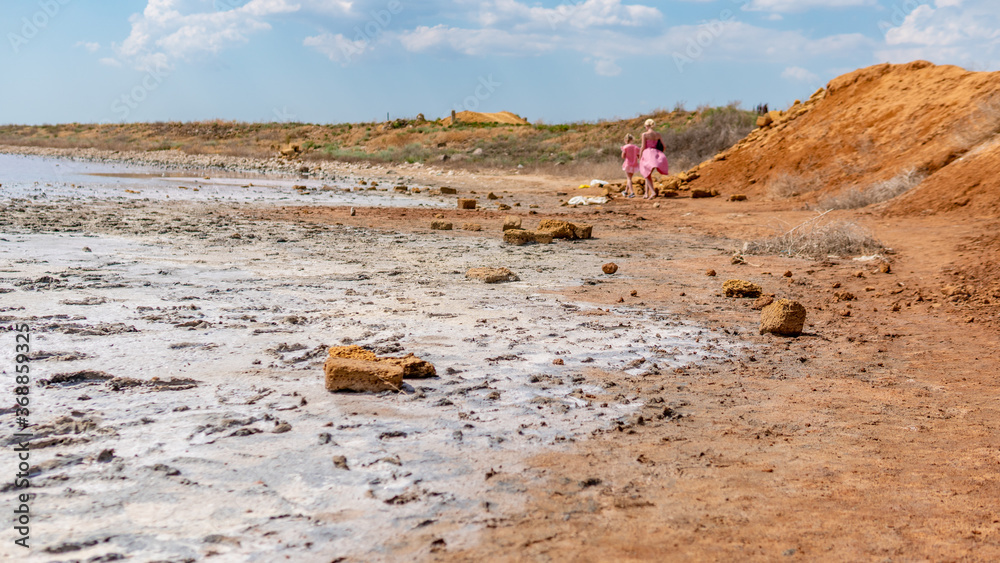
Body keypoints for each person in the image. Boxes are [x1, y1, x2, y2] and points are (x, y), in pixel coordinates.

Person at [639, 118, 670, 199]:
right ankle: (646, 193)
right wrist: (660, 153)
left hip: (648, 154)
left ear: (647, 126)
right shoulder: (658, 134)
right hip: (656, 154)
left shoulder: (644, 135)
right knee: (647, 174)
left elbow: (643, 146)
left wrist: (640, 155)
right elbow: (664, 146)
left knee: (646, 174)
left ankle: (652, 192)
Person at [620, 134, 640, 198]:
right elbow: (638, 156)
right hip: (634, 164)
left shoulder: (625, 147)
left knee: (628, 178)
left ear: (626, 140)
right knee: (630, 178)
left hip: (628, 163)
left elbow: (622, 156)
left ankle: (632, 192)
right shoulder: (635, 147)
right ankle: (626, 191)